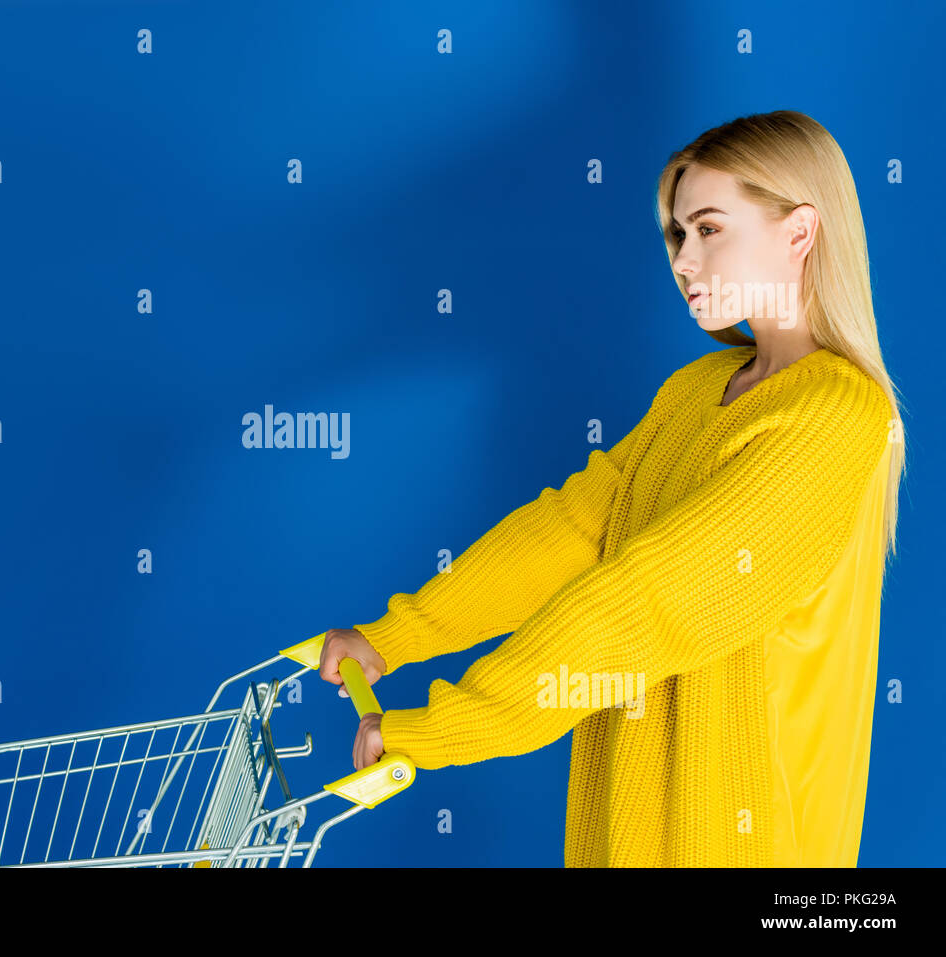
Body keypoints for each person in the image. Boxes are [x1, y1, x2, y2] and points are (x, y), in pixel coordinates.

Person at [319, 110, 906, 867]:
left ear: (798, 233)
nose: (684, 261)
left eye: (709, 228)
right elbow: (571, 530)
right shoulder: (698, 390)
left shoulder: (836, 414)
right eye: (676, 235)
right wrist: (394, 639)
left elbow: (648, 601)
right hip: (623, 831)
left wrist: (446, 724)